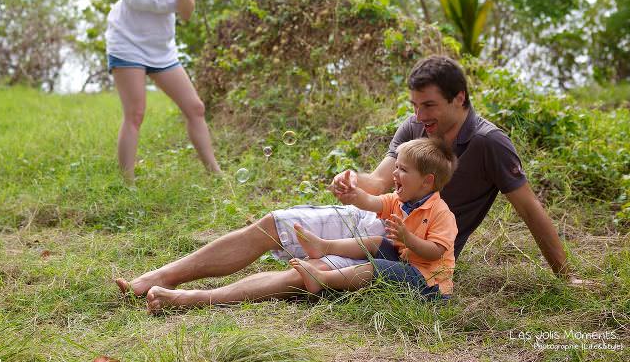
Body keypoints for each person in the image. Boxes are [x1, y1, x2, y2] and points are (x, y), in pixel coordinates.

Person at [116, 56, 580, 312]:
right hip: (374, 213)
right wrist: (349, 180)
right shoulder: (412, 126)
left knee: (302, 276)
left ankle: (189, 300)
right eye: (416, 106)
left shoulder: (489, 143)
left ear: (460, 98)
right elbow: (379, 181)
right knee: (275, 222)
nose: (420, 117)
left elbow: (530, 210)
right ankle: (156, 278)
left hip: (405, 246)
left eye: (430, 107)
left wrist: (564, 276)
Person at [104, 0, 221, 180]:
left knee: (195, 107)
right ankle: (126, 183)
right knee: (136, 113)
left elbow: (186, 12)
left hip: (161, 48)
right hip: (127, 42)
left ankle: (216, 175)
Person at [289, 138, 458, 299]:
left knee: (376, 267)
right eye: (396, 166)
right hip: (406, 263)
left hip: (428, 283)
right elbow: (372, 201)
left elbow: (435, 252)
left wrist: (407, 238)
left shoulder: (441, 213)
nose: (394, 172)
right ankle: (324, 247)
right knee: (377, 241)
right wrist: (355, 195)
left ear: (427, 182)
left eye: (403, 169)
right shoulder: (398, 200)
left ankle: (321, 280)